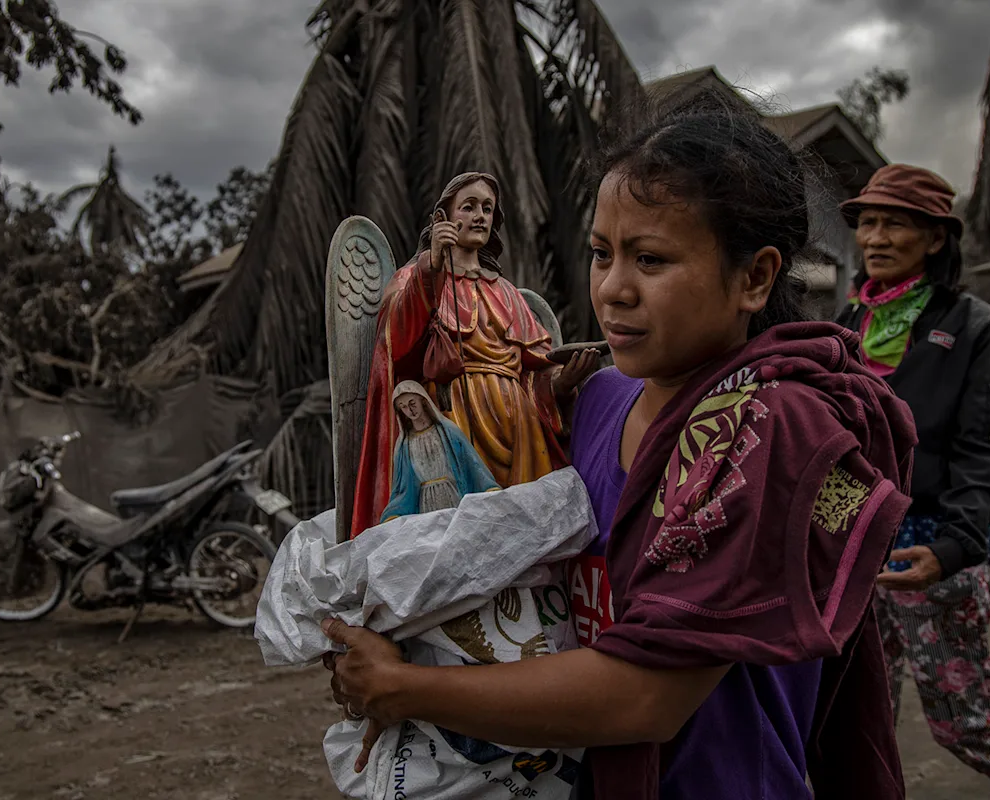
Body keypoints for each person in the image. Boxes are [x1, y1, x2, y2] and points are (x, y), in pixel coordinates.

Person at [322, 108, 920, 799]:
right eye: (602, 253)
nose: (612, 288)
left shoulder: (771, 430)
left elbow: (646, 697)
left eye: (651, 259)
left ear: (754, 278)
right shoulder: (598, 401)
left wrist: (403, 688)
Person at [835, 164, 990, 800]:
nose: (875, 237)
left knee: (959, 714)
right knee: (857, 715)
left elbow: (986, 446)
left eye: (894, 224)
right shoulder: (849, 321)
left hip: (928, 542)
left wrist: (955, 545)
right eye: (868, 222)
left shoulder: (972, 326)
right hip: (855, 542)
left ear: (936, 238)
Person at [351, 172, 578, 535]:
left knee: (522, 536)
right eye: (468, 207)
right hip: (455, 418)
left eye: (487, 208)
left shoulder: (507, 292)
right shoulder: (416, 276)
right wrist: (433, 266)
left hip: (519, 429)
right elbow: (394, 345)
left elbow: (538, 368)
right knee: (464, 538)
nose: (480, 216)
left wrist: (564, 381)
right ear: (442, 217)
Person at [380, 380, 500, 522]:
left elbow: (471, 462)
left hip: (452, 494)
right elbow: (403, 486)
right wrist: (395, 512)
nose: (410, 410)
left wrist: (487, 487)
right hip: (425, 503)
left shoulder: (447, 431)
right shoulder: (404, 445)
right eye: (403, 407)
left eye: (412, 403)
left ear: (422, 400)